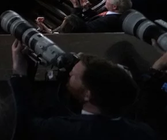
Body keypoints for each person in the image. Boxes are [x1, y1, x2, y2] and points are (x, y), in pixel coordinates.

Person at [10, 44, 158, 140]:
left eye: (73, 76)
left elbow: (23, 126)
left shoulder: (67, 130)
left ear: (88, 94)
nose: (68, 76)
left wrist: (19, 73)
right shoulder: (143, 132)